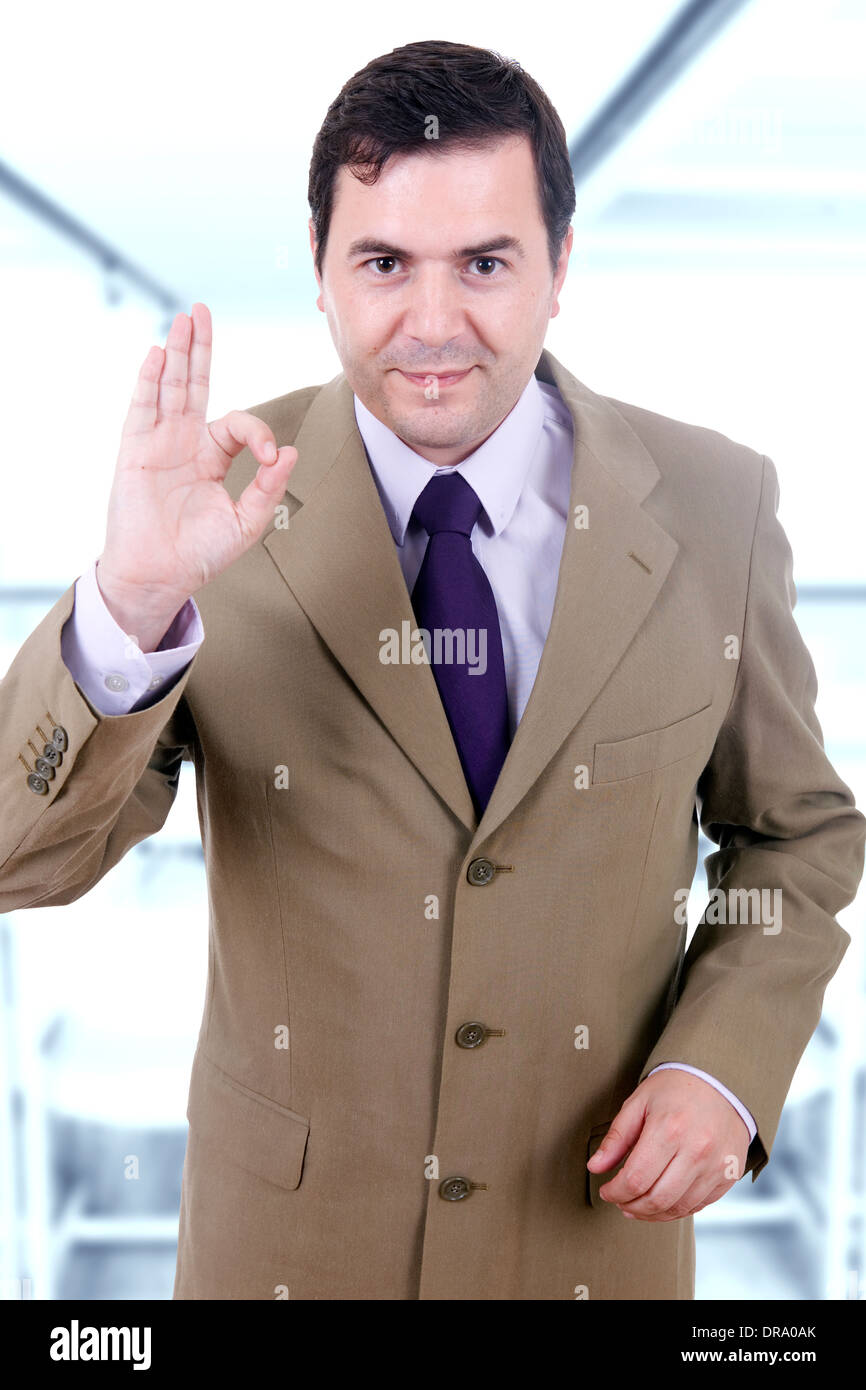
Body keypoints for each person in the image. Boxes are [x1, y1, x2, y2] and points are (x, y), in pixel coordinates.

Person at [1, 39, 863, 1301]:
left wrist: (721, 1063)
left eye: (486, 263)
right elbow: (22, 856)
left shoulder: (715, 503)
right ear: (318, 272)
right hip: (282, 1255)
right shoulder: (221, 505)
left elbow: (794, 837)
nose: (432, 324)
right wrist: (131, 599)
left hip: (586, 1244)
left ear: (559, 268)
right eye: (384, 263)